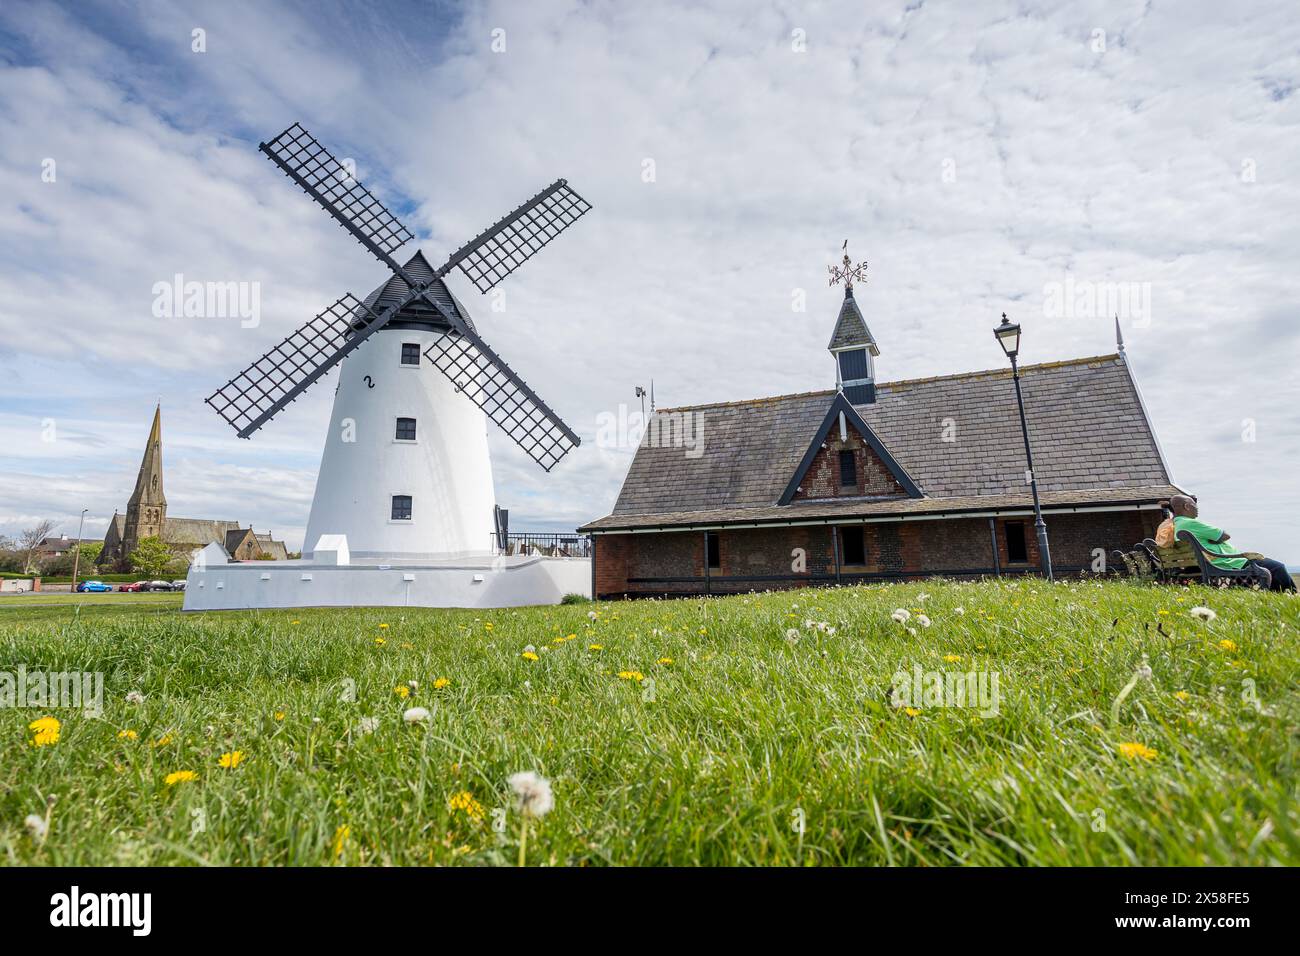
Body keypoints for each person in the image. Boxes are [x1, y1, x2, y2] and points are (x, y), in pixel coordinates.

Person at [1162, 495, 1295, 592]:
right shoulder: (1190, 523)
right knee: (1278, 568)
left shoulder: (1173, 525)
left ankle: (1277, 596)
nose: (1197, 508)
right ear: (1186, 506)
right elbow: (1224, 535)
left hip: (1206, 564)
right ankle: (1291, 598)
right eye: (1194, 505)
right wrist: (1215, 539)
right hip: (1228, 563)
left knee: (1273, 567)